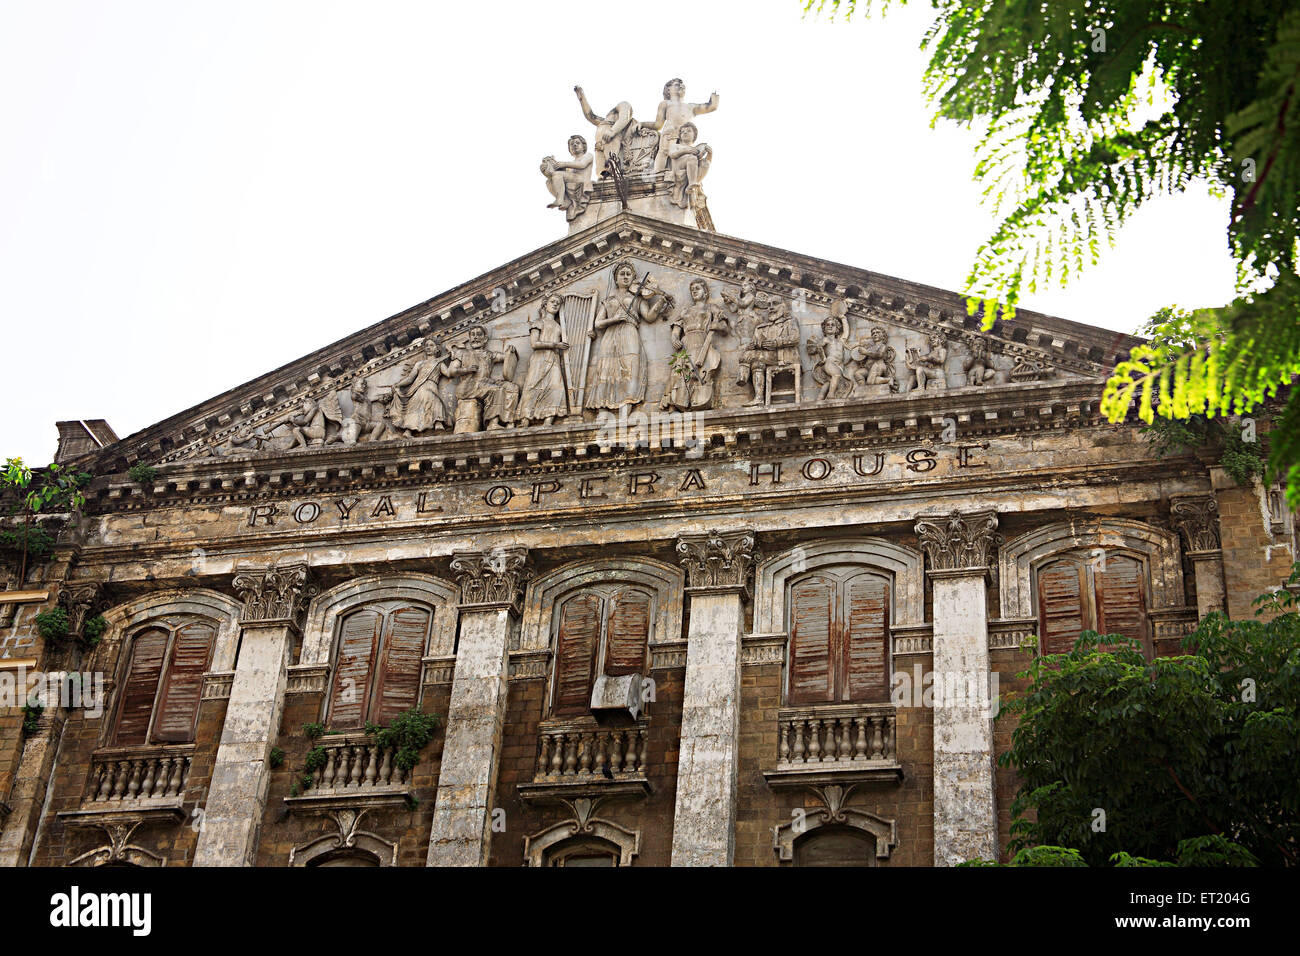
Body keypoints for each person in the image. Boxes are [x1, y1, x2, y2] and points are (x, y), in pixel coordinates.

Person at [585, 261, 669, 410]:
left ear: (633, 278)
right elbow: (598, 323)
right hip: (610, 336)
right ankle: (604, 408)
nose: (625, 277)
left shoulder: (637, 298)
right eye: (621, 274)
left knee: (630, 369)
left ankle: (626, 406)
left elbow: (649, 317)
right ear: (616, 279)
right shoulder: (608, 300)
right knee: (606, 370)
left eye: (628, 274)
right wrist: (615, 319)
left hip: (629, 333)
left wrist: (660, 300)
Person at [661, 278, 729, 410]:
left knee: (699, 370)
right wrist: (674, 339)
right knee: (679, 372)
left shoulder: (711, 307)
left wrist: (716, 325)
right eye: (692, 290)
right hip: (686, 343)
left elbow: (724, 327)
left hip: (702, 340)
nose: (694, 292)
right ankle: (675, 403)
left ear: (706, 291)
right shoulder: (685, 311)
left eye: (697, 288)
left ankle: (698, 399)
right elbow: (676, 330)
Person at [642, 78, 718, 175]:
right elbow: (658, 124)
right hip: (670, 133)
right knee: (664, 152)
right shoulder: (666, 103)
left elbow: (712, 106)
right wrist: (642, 124)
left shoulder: (690, 106)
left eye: (682, 85)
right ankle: (657, 173)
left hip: (684, 135)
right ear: (668, 90)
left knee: (687, 154)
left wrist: (715, 96)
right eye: (677, 85)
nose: (681, 86)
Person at [518, 294, 571, 426]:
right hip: (539, 359)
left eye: (558, 303)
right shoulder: (538, 322)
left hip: (553, 359)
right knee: (532, 386)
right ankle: (525, 419)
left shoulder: (559, 327)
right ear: (545, 304)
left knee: (556, 387)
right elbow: (534, 344)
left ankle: (549, 420)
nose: (555, 305)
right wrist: (555, 345)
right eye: (552, 302)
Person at [541, 135, 594, 221]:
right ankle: (565, 200)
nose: (574, 145)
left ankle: (559, 200)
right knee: (549, 181)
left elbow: (582, 165)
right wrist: (547, 169)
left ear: (584, 146)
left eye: (577, 143)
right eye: (572, 144)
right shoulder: (571, 164)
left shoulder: (587, 156)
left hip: (582, 180)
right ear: (569, 149)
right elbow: (560, 179)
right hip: (574, 182)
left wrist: (564, 164)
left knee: (558, 175)